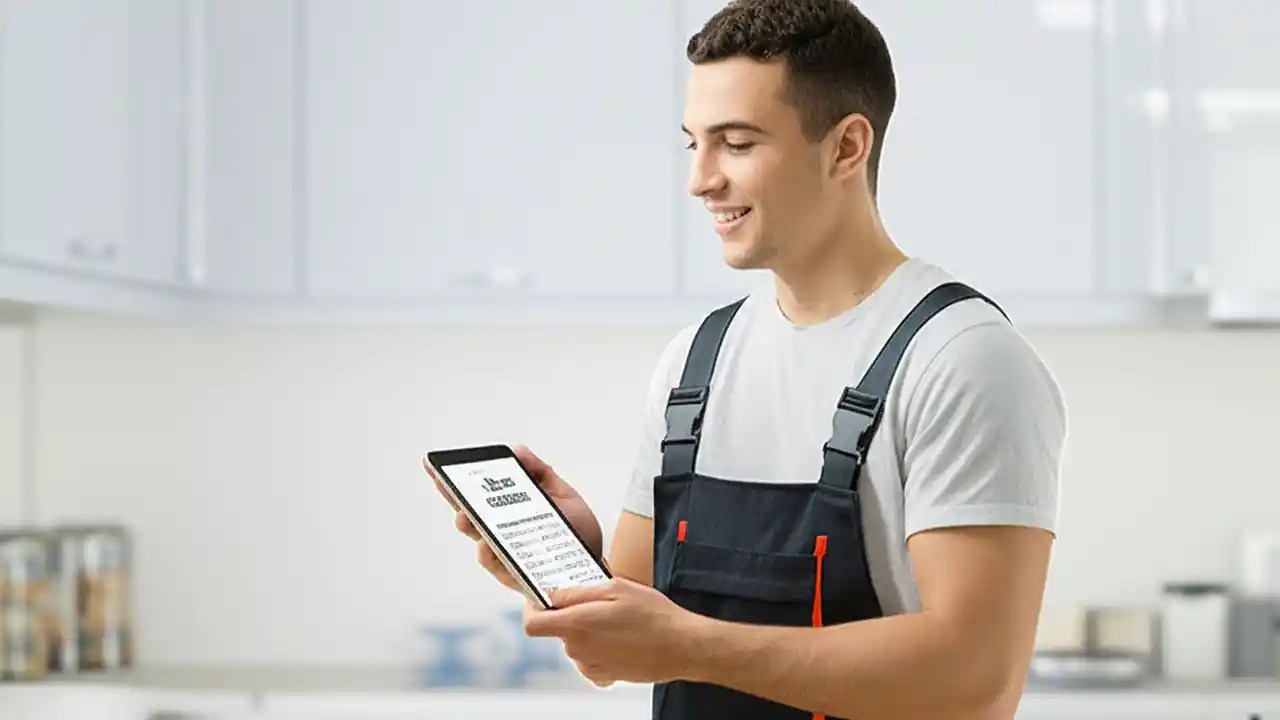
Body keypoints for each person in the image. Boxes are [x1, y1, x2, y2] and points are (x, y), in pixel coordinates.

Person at [426, 1, 1066, 718]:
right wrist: (573, 563)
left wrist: (691, 647)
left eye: (736, 143)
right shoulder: (695, 363)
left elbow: (973, 678)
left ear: (847, 148)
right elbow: (638, 633)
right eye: (693, 144)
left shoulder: (961, 359)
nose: (700, 180)